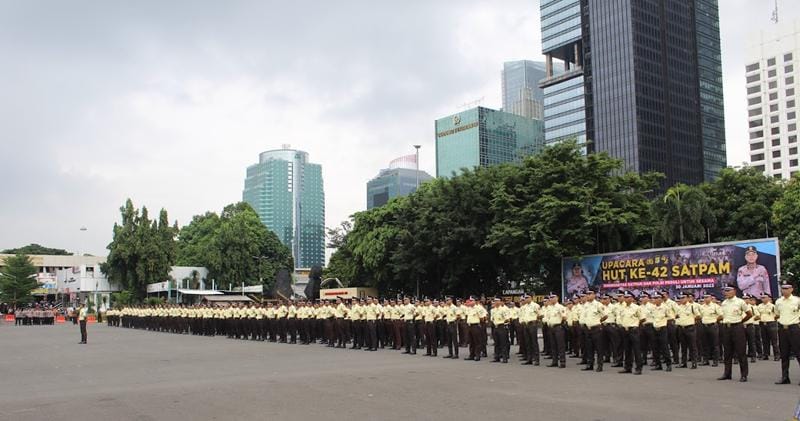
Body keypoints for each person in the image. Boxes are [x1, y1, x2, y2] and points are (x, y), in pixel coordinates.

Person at [717, 285, 752, 382]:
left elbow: (749, 314)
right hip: (726, 327)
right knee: (727, 352)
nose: (726, 292)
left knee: (741, 352)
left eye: (728, 290)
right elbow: (723, 315)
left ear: (734, 291)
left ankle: (744, 374)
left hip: (737, 327)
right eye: (725, 291)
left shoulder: (740, 302)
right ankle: (727, 373)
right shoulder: (724, 303)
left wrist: (741, 321)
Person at [774, 282, 800, 385]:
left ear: (791, 289)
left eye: (787, 288)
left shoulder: (797, 300)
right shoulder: (779, 301)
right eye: (783, 288)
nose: (784, 290)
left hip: (794, 328)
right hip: (782, 328)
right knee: (784, 354)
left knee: (798, 353)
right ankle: (785, 377)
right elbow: (777, 314)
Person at [758, 292, 780, 361]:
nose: (763, 299)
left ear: (768, 298)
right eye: (762, 298)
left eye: (764, 297)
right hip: (762, 324)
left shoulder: (772, 306)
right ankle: (766, 355)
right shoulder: (759, 306)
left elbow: (777, 315)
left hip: (771, 324)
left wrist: (773, 320)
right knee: (764, 341)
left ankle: (777, 355)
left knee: (774, 341)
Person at [490, 298, 510, 363]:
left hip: (502, 326)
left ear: (500, 302)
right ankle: (497, 357)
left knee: (503, 343)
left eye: (497, 301)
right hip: (496, 327)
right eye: (495, 301)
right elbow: (492, 319)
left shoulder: (504, 310)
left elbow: (507, 319)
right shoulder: (493, 310)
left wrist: (502, 323)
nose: (496, 302)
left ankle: (504, 357)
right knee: (496, 343)